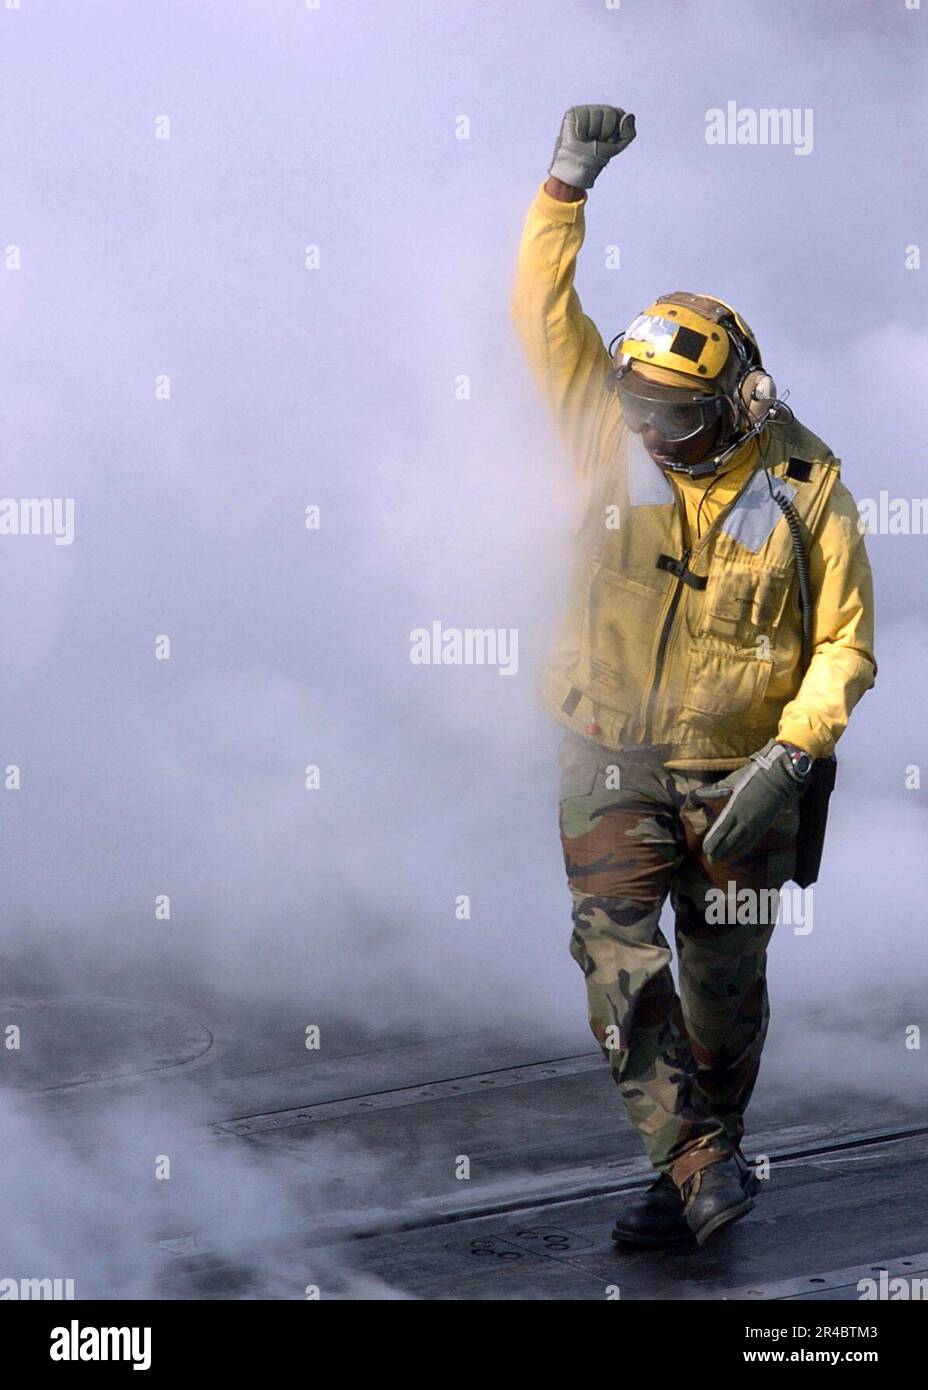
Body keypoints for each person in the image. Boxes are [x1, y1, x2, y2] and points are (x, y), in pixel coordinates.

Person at [511, 105, 877, 1246]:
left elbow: (846, 645)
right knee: (616, 956)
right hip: (609, 750)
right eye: (640, 410)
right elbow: (542, 318)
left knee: (722, 992)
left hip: (745, 776)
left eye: (675, 417)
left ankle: (702, 1159)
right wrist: (564, 189)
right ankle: (694, 1162)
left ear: (736, 404)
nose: (650, 433)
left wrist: (793, 755)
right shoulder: (607, 430)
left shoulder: (809, 486)